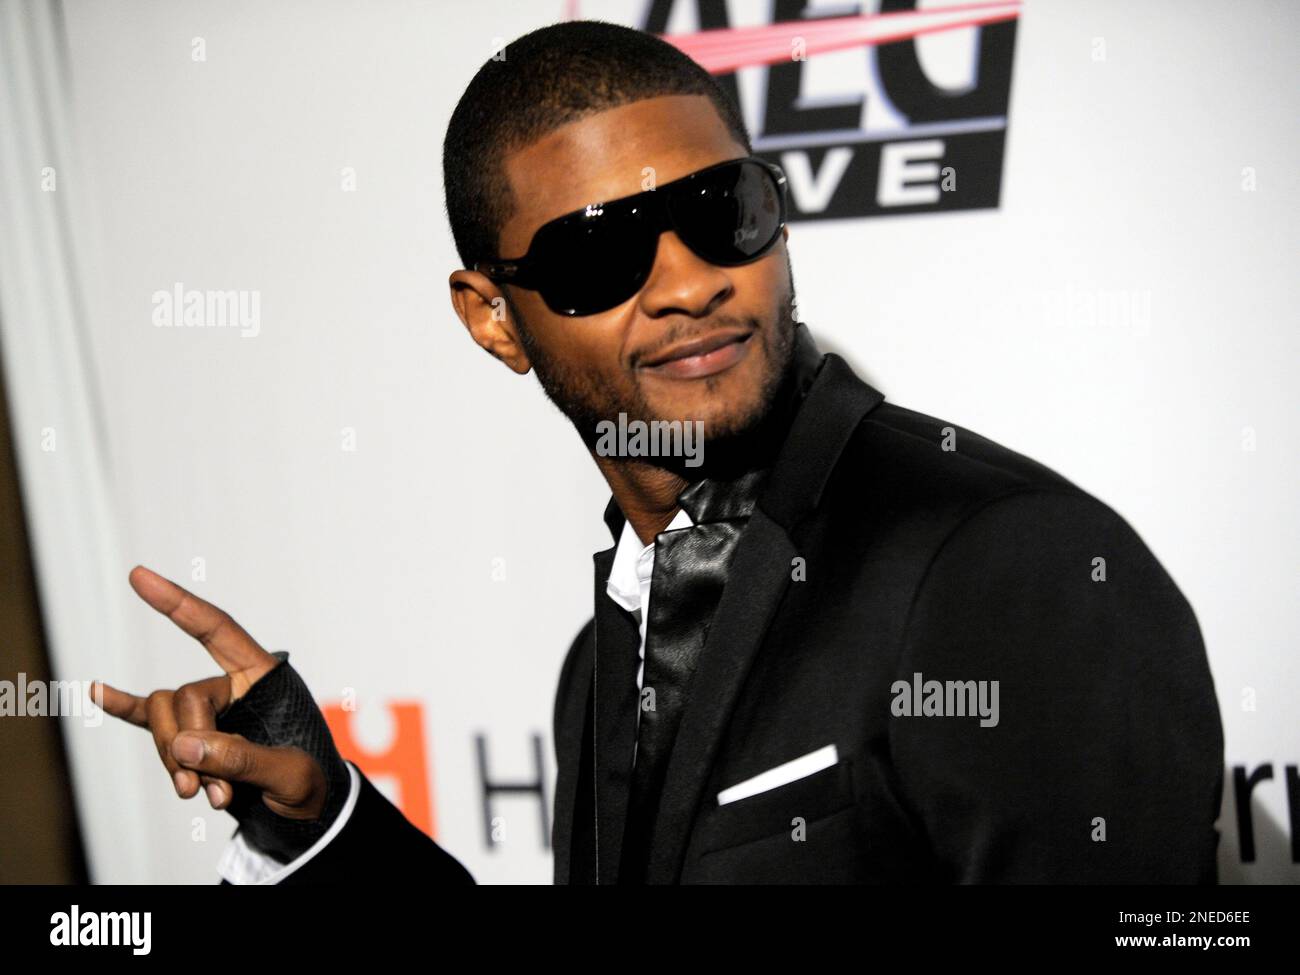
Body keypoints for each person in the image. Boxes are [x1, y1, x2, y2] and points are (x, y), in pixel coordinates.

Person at [94, 20, 1224, 884]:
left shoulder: (1003, 568)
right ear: (494, 319)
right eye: (601, 255)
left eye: (725, 209)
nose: (688, 283)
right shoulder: (602, 664)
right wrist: (321, 821)